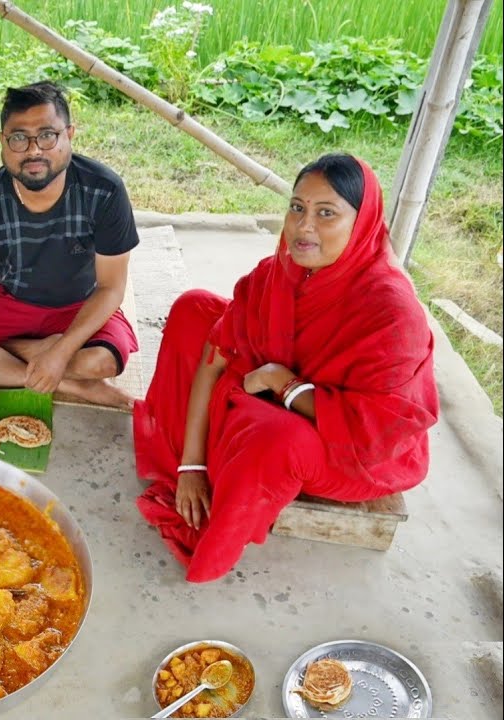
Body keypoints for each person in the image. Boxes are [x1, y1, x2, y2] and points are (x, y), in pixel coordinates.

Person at [134, 154, 439, 583]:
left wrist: (284, 383)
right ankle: (201, 458)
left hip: (348, 451)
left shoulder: (392, 313)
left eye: (326, 213)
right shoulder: (279, 272)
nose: (303, 226)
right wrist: (191, 466)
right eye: (297, 207)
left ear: (363, 222)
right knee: (194, 310)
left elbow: (375, 432)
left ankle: (224, 519)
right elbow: (214, 353)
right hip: (272, 391)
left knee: (274, 436)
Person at [0, 81, 141, 432]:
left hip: (78, 304)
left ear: (69, 134)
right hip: (10, 300)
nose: (34, 150)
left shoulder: (104, 190)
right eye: (19, 138)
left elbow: (111, 288)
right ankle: (69, 385)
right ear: (3, 141)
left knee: (102, 362)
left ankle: (13, 354)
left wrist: (62, 350)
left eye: (47, 136)